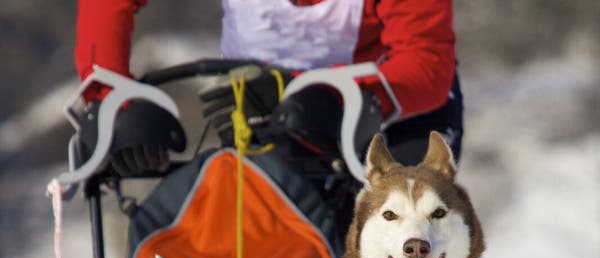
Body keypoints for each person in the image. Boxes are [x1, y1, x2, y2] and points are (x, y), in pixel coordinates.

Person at [74, 0, 463, 180]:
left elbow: (425, 60)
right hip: (260, 101)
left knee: (405, 235)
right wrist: (113, 102)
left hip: (390, 105)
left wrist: (343, 100)